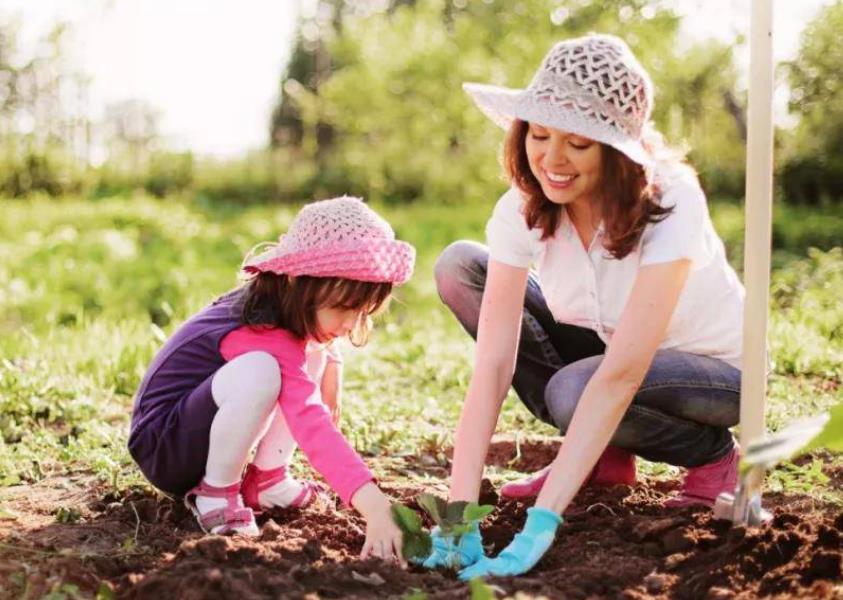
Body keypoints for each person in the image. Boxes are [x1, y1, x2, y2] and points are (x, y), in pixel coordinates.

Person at [426, 34, 745, 578]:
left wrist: (541, 524)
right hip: (608, 349)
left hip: (713, 375)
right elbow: (495, 366)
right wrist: (458, 516)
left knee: (575, 392)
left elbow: (620, 376)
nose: (552, 159)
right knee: (462, 268)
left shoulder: (671, 200)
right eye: (539, 134)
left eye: (578, 143)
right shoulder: (524, 208)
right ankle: (602, 458)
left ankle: (714, 459)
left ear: (616, 151)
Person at [128, 196, 415, 564]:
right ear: (298, 281)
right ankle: (216, 494)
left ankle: (267, 480)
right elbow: (310, 422)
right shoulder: (258, 328)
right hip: (165, 447)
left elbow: (313, 355)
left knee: (312, 352)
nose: (350, 325)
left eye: (362, 312)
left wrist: (331, 362)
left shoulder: (287, 311)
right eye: (344, 309)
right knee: (263, 369)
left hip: (197, 431)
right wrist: (374, 506)